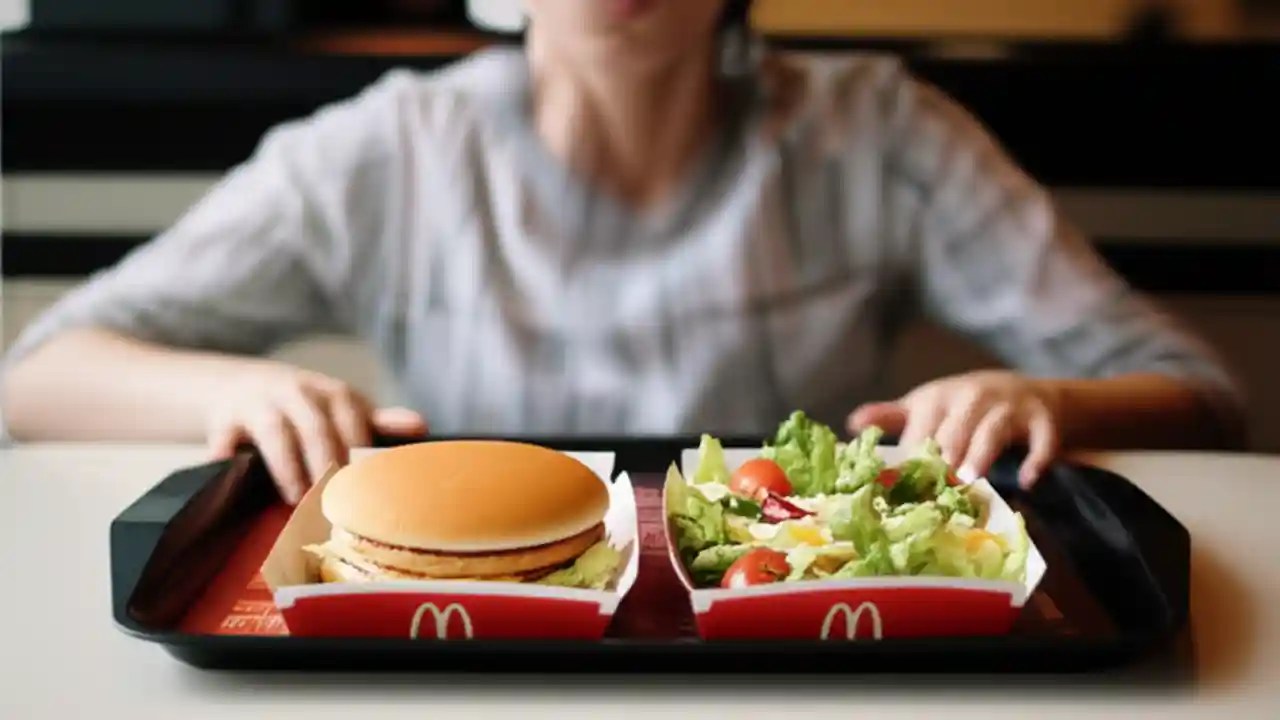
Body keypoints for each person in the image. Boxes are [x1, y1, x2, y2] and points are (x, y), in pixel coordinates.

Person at [1, 0, 1244, 503]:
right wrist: (235, 391)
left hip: (788, 639)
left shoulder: (880, 131)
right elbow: (39, 377)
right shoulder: (388, 149)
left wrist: (1042, 400)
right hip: (467, 645)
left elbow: (1198, 398)